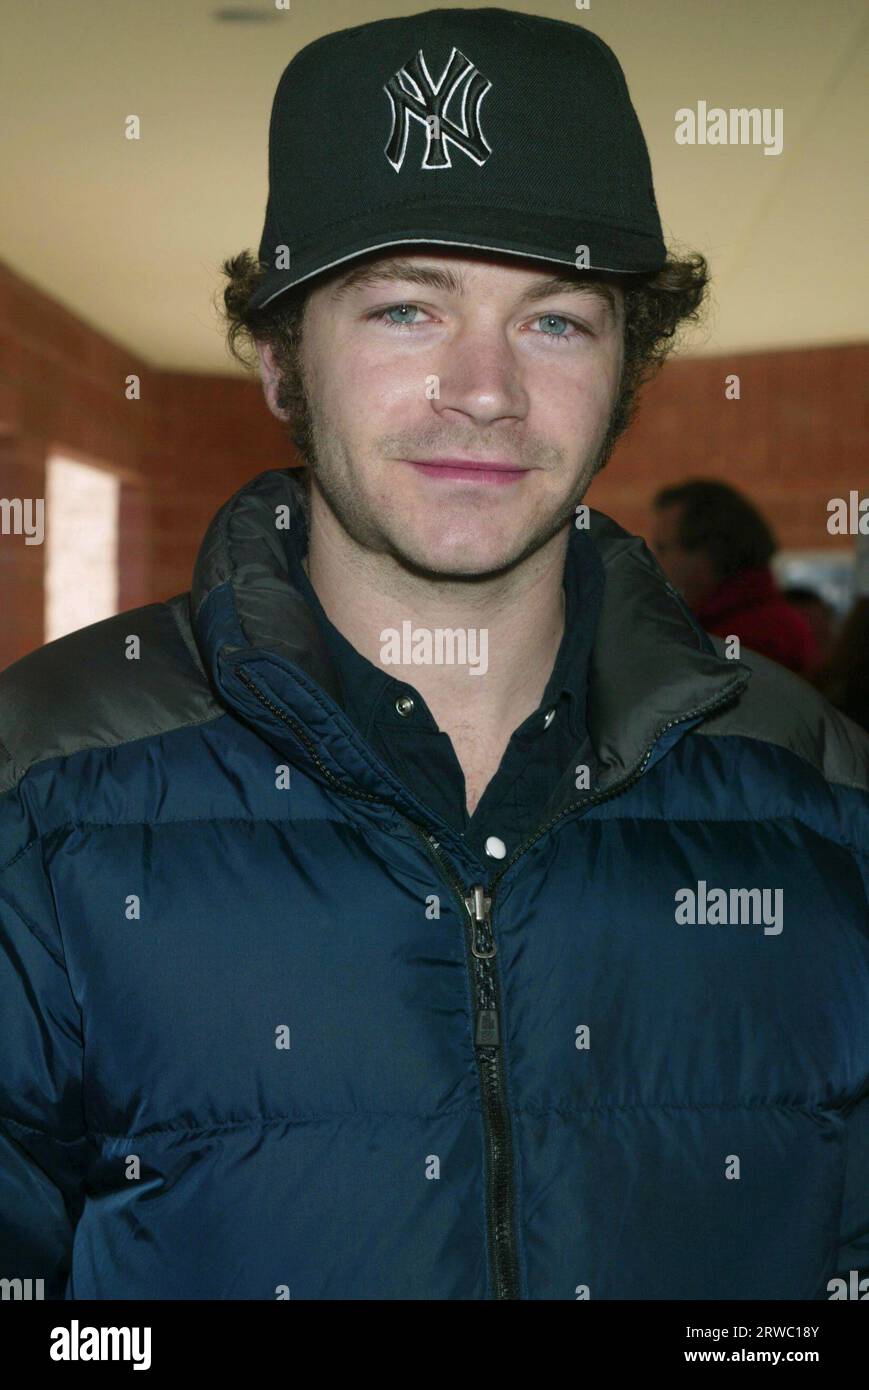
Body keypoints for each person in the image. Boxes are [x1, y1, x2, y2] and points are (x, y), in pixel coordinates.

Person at [1, 7, 867, 1303]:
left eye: (556, 321)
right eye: (407, 309)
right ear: (284, 363)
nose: (484, 388)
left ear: (627, 366)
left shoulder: (814, 789)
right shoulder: (43, 782)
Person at [651, 479, 819, 674]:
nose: (654, 564)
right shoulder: (721, 627)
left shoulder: (752, 639)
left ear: (707, 553)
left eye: (663, 550)